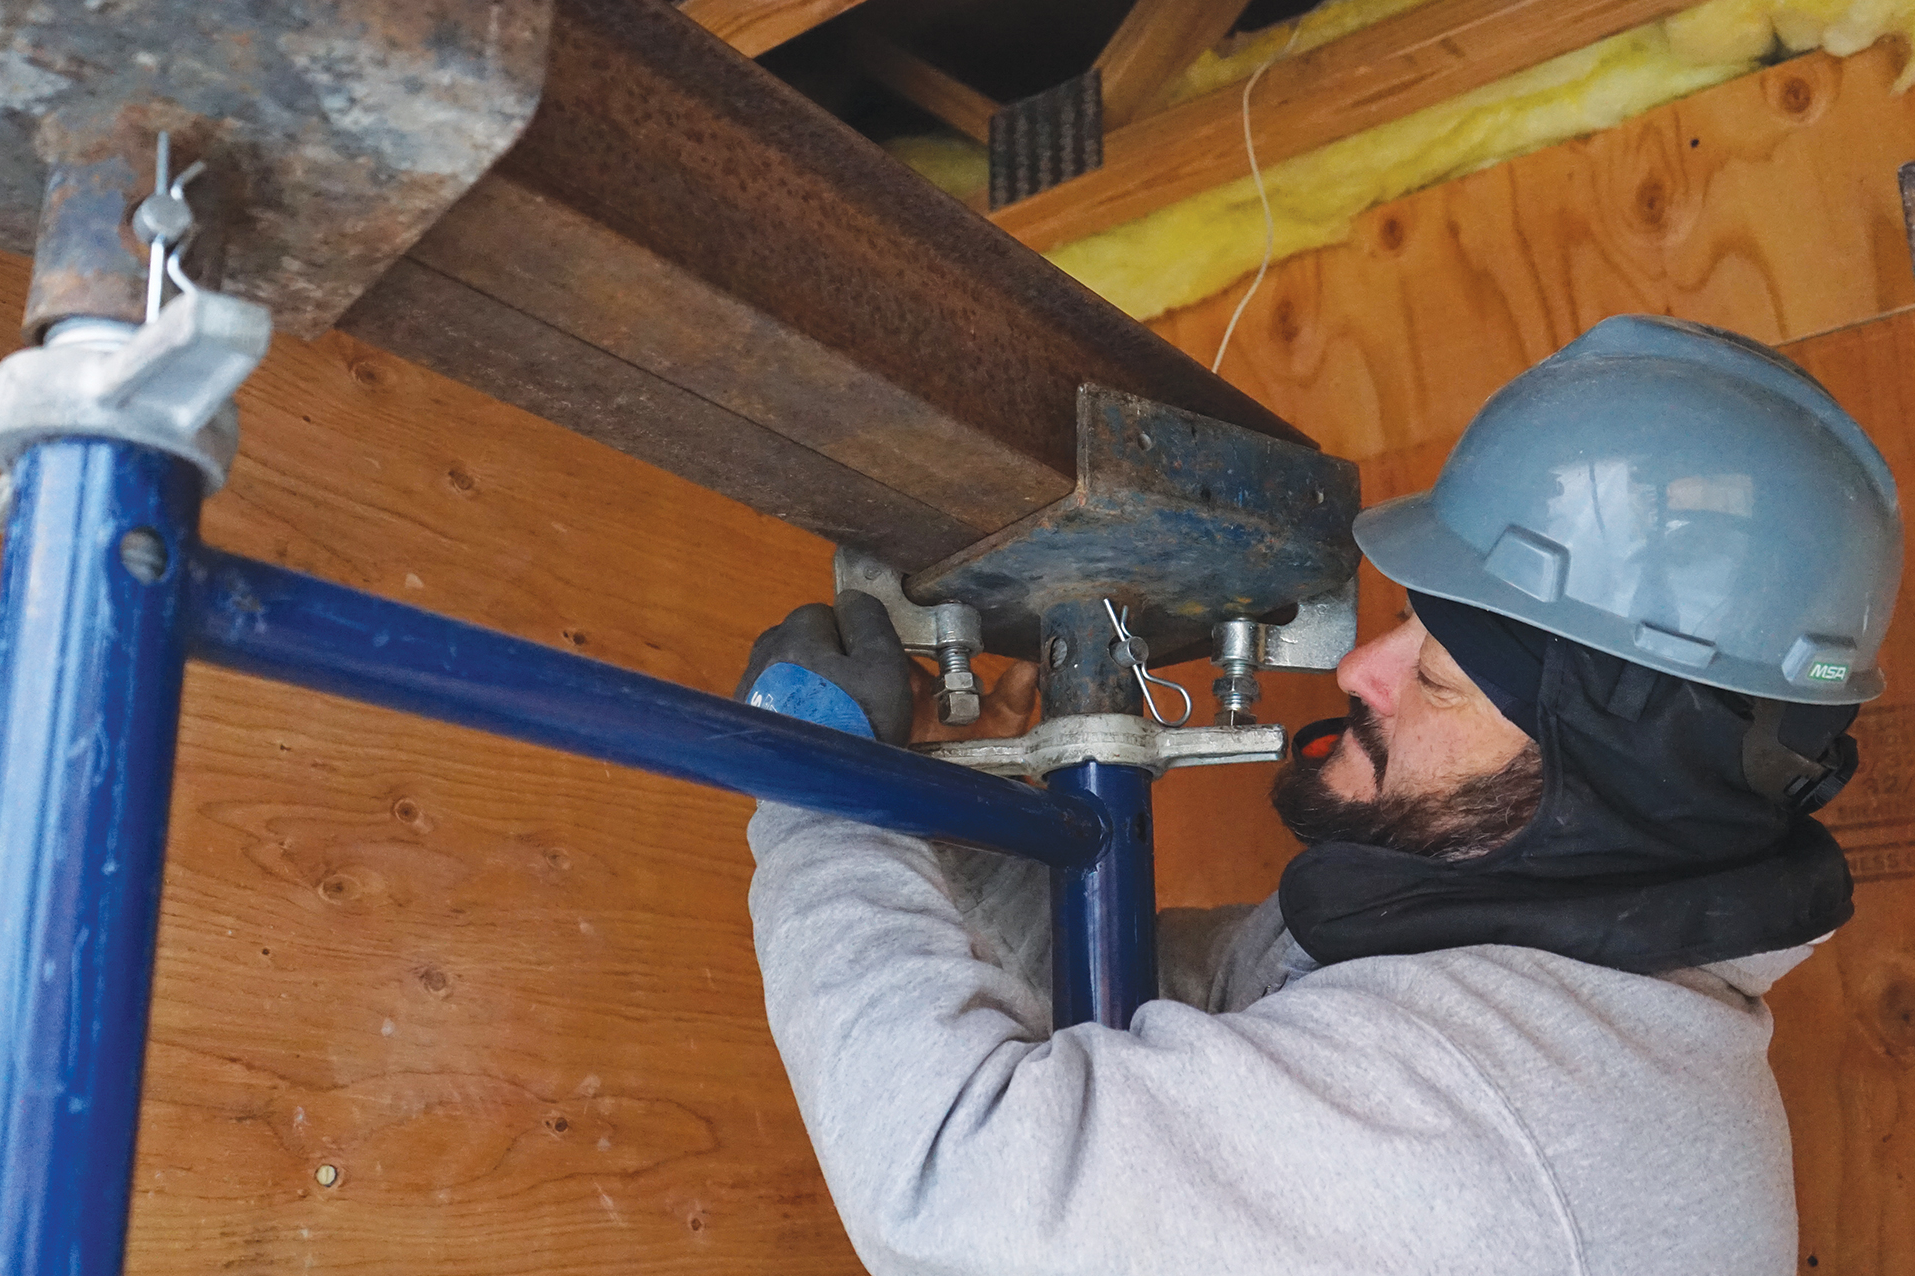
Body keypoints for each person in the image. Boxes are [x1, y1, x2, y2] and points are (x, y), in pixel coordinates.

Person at [734, 316, 1902, 1274]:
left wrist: (820, 791)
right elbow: (1145, 1006)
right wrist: (943, 836)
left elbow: (953, 1191)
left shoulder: (1501, 1106)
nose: (1358, 672)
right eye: (1405, 627)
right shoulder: (1539, 971)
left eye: (1437, 672)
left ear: (1606, 772)